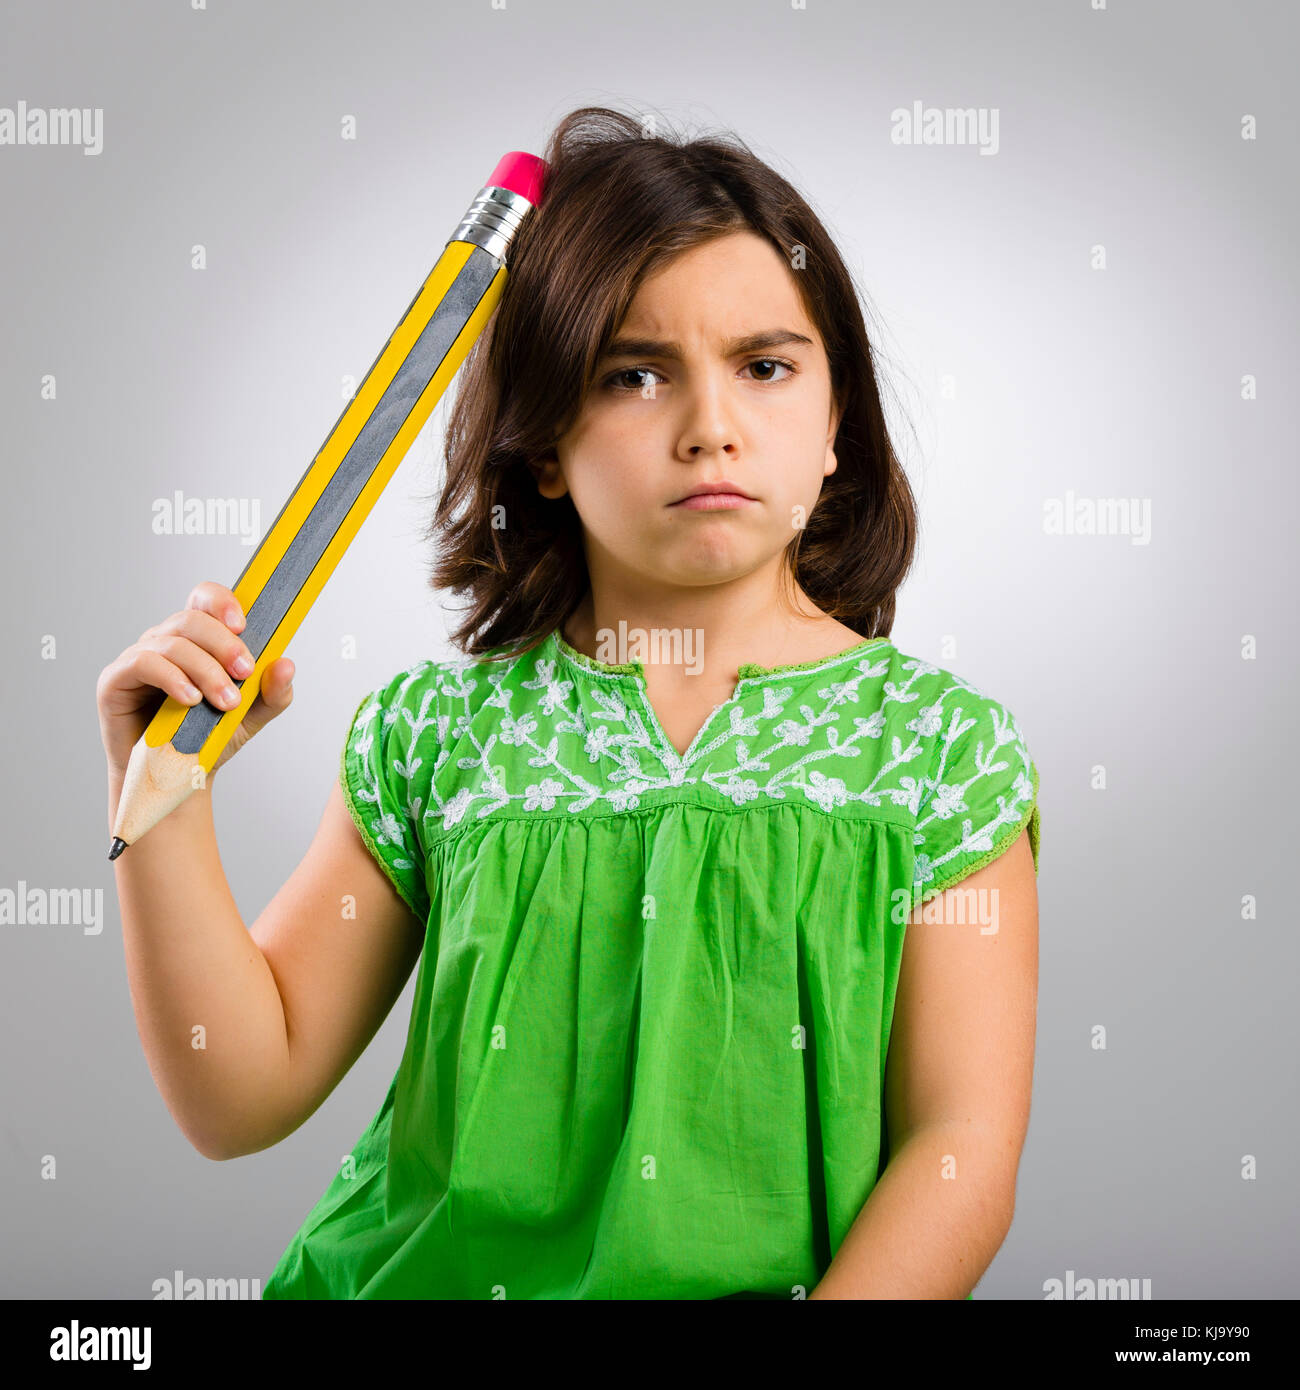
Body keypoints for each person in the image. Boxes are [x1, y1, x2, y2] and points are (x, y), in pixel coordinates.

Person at [98, 105, 1040, 1300]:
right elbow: (235, 1096)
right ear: (543, 445)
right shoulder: (435, 736)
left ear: (837, 426)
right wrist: (161, 796)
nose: (710, 429)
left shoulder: (939, 752)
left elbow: (958, 1152)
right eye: (633, 375)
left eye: (764, 366)